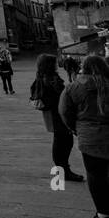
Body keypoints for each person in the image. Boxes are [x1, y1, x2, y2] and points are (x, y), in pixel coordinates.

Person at [59, 55, 109, 218]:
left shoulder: (74, 87)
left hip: (91, 137)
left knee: (96, 175)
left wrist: (76, 128)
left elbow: (65, 112)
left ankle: (103, 216)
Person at [31, 53, 81, 182]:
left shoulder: (43, 76)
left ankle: (63, 170)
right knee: (63, 142)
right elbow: (60, 94)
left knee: (62, 141)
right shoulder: (50, 78)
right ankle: (63, 171)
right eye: (54, 62)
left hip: (54, 113)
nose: (57, 64)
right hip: (57, 113)